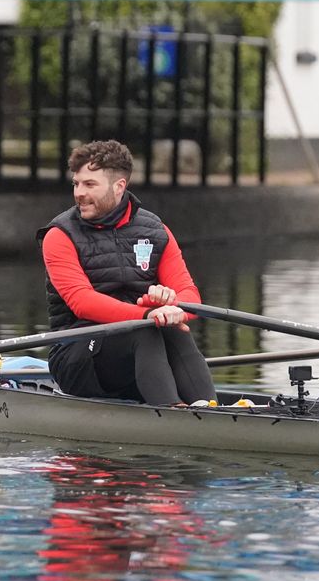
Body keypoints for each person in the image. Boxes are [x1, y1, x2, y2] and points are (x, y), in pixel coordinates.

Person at [38, 139, 217, 406]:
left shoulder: (156, 231)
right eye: (76, 183)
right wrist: (148, 313)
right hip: (78, 353)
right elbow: (82, 302)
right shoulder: (59, 235)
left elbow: (190, 297)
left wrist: (173, 307)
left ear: (119, 186)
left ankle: (208, 408)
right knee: (145, 329)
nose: (78, 193)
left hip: (139, 354)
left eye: (90, 185)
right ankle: (172, 414)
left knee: (174, 329)